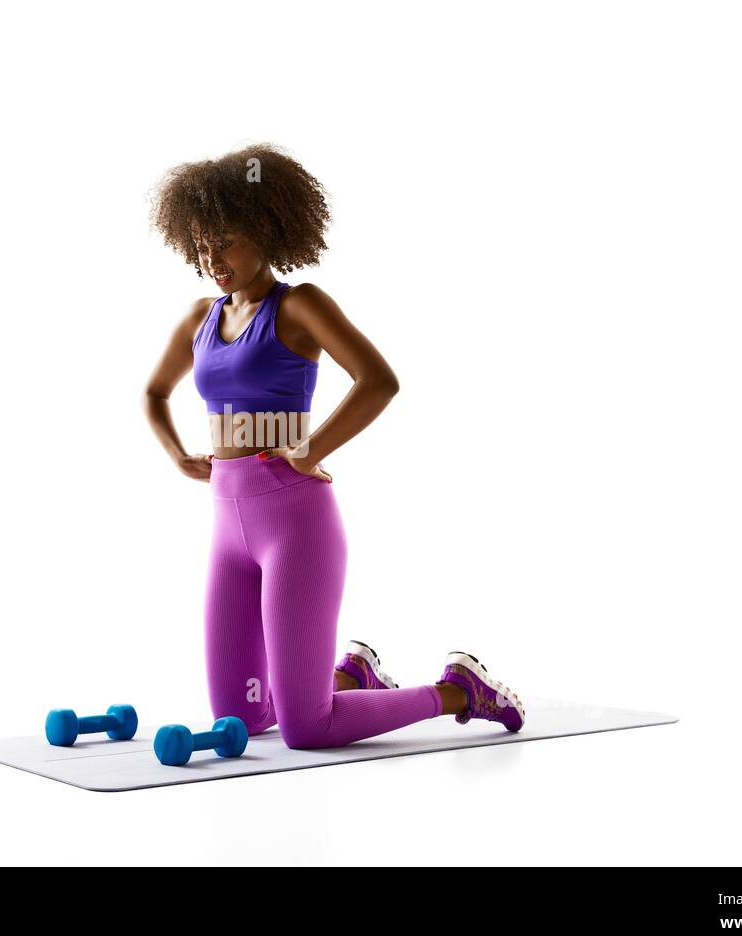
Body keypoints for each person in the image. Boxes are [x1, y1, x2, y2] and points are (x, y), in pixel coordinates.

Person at [141, 144, 524, 749]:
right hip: (226, 525)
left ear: (267, 231)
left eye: (229, 241)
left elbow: (379, 381)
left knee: (305, 729)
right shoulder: (199, 320)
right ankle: (351, 677)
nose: (213, 258)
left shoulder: (299, 306)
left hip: (294, 518)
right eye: (203, 244)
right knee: (242, 721)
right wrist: (176, 453)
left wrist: (311, 448)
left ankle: (458, 690)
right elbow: (156, 393)